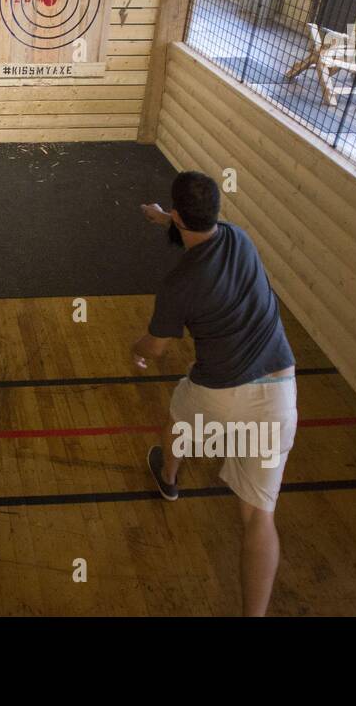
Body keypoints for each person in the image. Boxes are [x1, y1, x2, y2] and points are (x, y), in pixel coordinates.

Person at [133, 171, 297, 616]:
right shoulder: (239, 239)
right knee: (259, 517)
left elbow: (157, 347)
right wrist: (163, 217)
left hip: (218, 390)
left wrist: (138, 352)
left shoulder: (178, 284)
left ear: (180, 215)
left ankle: (168, 481)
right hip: (278, 390)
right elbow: (196, 225)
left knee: (178, 418)